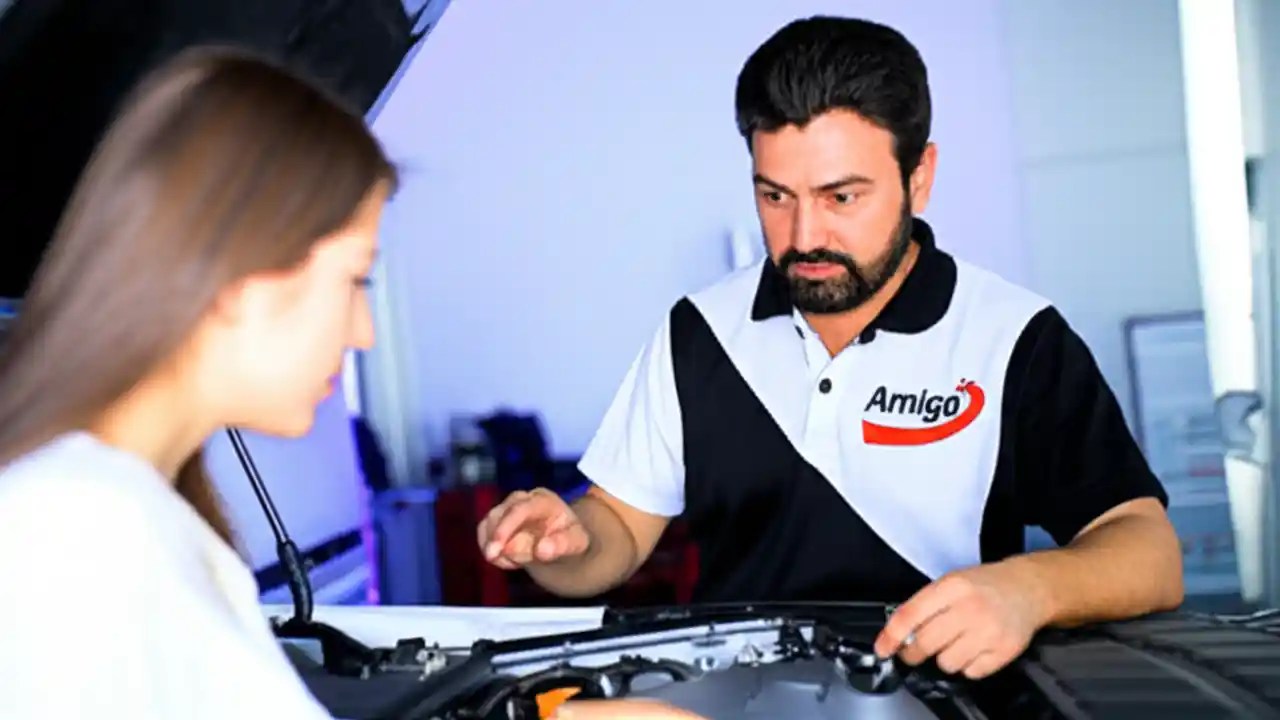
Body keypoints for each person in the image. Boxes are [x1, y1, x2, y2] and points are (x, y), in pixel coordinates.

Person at [477, 15, 1185, 681]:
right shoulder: (697, 332)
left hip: (936, 696)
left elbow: (1147, 551)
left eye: (841, 197)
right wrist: (562, 543)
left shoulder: (1016, 338)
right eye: (775, 196)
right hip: (726, 700)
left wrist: (1030, 588)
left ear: (920, 178)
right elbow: (619, 531)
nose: (804, 236)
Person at [0, 47, 396, 718]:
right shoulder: (74, 532)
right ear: (245, 275)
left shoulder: (131, 513)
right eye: (354, 280)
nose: (364, 332)